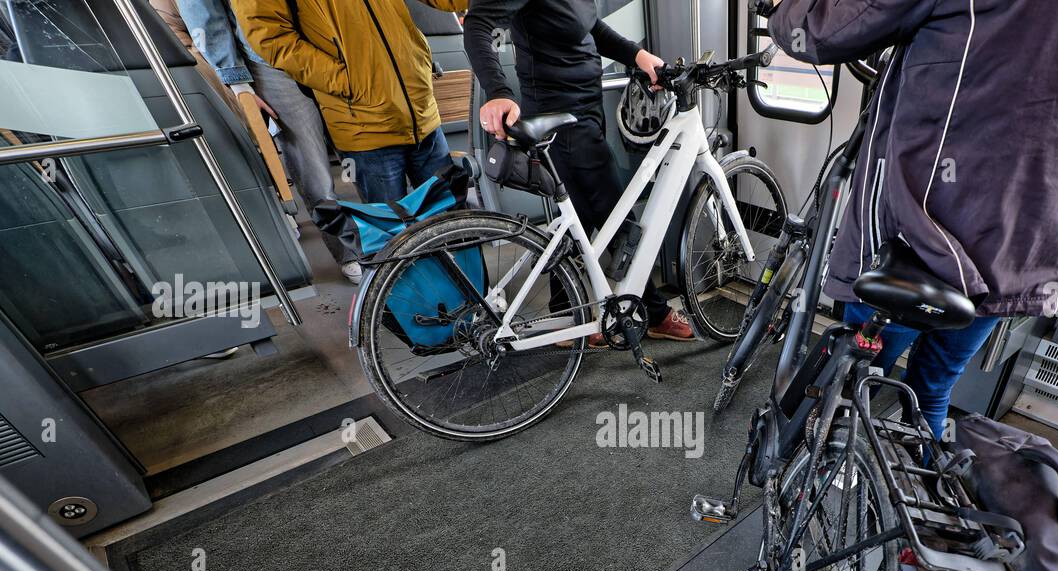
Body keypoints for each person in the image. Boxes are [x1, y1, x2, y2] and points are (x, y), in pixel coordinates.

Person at [768, 0, 1058, 439]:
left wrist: (782, 10)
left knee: (853, 381)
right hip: (1032, 234)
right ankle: (922, 473)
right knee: (933, 389)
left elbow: (825, 30)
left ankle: (822, 467)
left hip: (920, 225)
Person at [463, 0, 696, 343]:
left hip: (586, 109)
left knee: (579, 220)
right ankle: (654, 312)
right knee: (617, 215)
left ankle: (565, 316)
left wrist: (637, 55)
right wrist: (498, 92)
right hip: (561, 117)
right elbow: (477, 24)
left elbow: (588, 26)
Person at [160, 0, 364, 283]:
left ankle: (388, 239)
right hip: (270, 60)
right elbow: (203, 13)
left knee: (364, 149)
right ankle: (350, 250)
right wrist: (238, 81)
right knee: (312, 166)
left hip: (331, 45)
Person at [233, 0, 467, 205]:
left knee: (458, 222)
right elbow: (271, 38)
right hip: (363, 123)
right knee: (395, 229)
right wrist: (348, 80)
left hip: (421, 108)